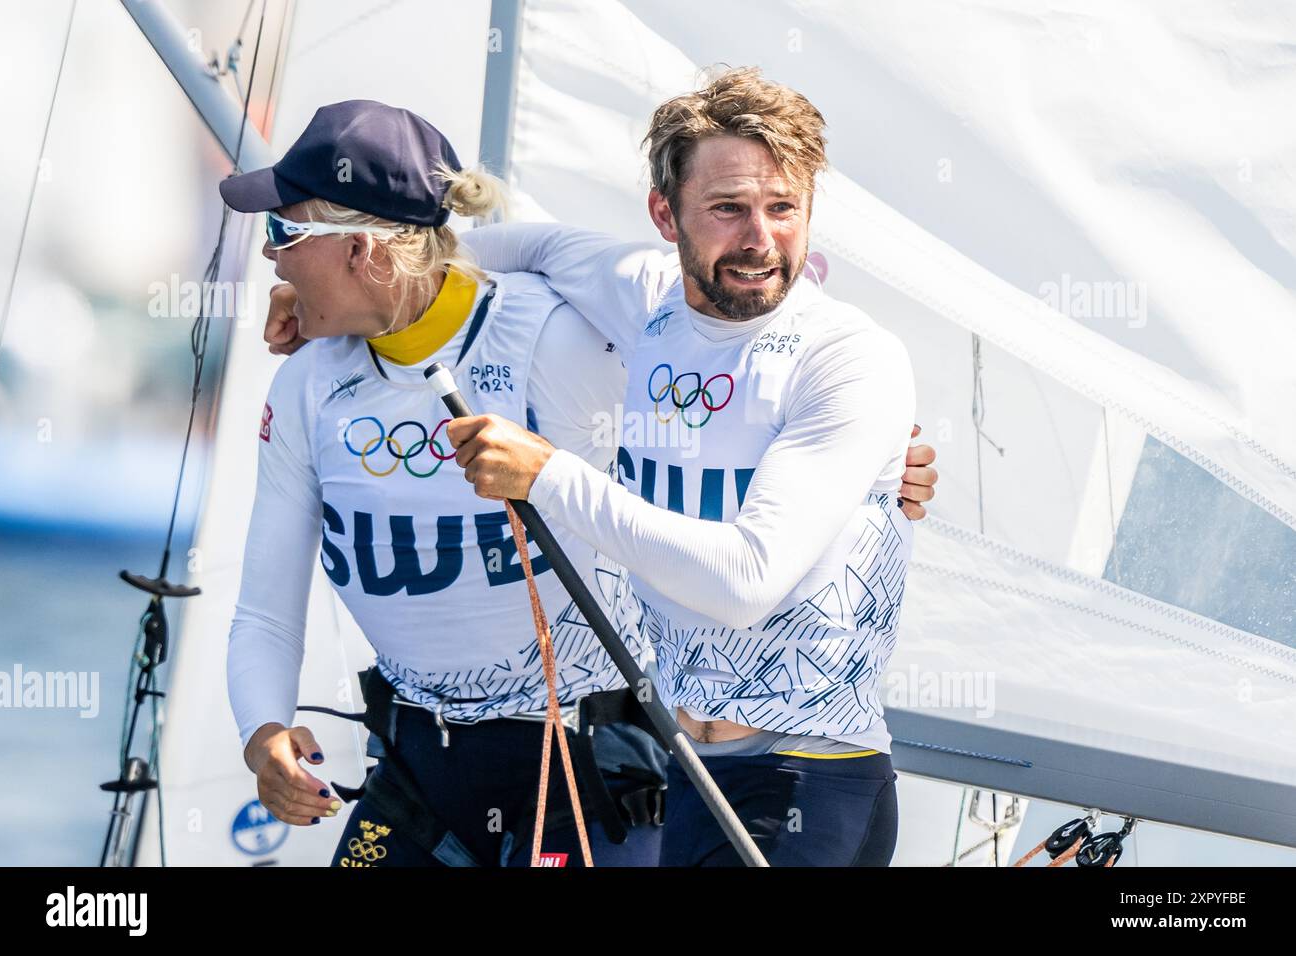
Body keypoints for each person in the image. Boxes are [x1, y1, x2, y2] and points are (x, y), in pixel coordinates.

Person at [450, 67, 921, 866]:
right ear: (665, 215)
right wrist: (350, 299)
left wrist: (549, 475)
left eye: (784, 208)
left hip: (811, 780)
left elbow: (743, 582)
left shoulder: (849, 357)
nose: (760, 240)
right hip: (694, 769)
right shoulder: (647, 298)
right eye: (729, 209)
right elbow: (528, 245)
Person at [221, 100, 673, 867]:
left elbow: (722, 414)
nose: (271, 259)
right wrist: (263, 734)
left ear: (361, 251)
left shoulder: (556, 341)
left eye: (282, 233)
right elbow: (266, 610)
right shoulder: (305, 384)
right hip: (419, 767)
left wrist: (875, 460)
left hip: (579, 769)